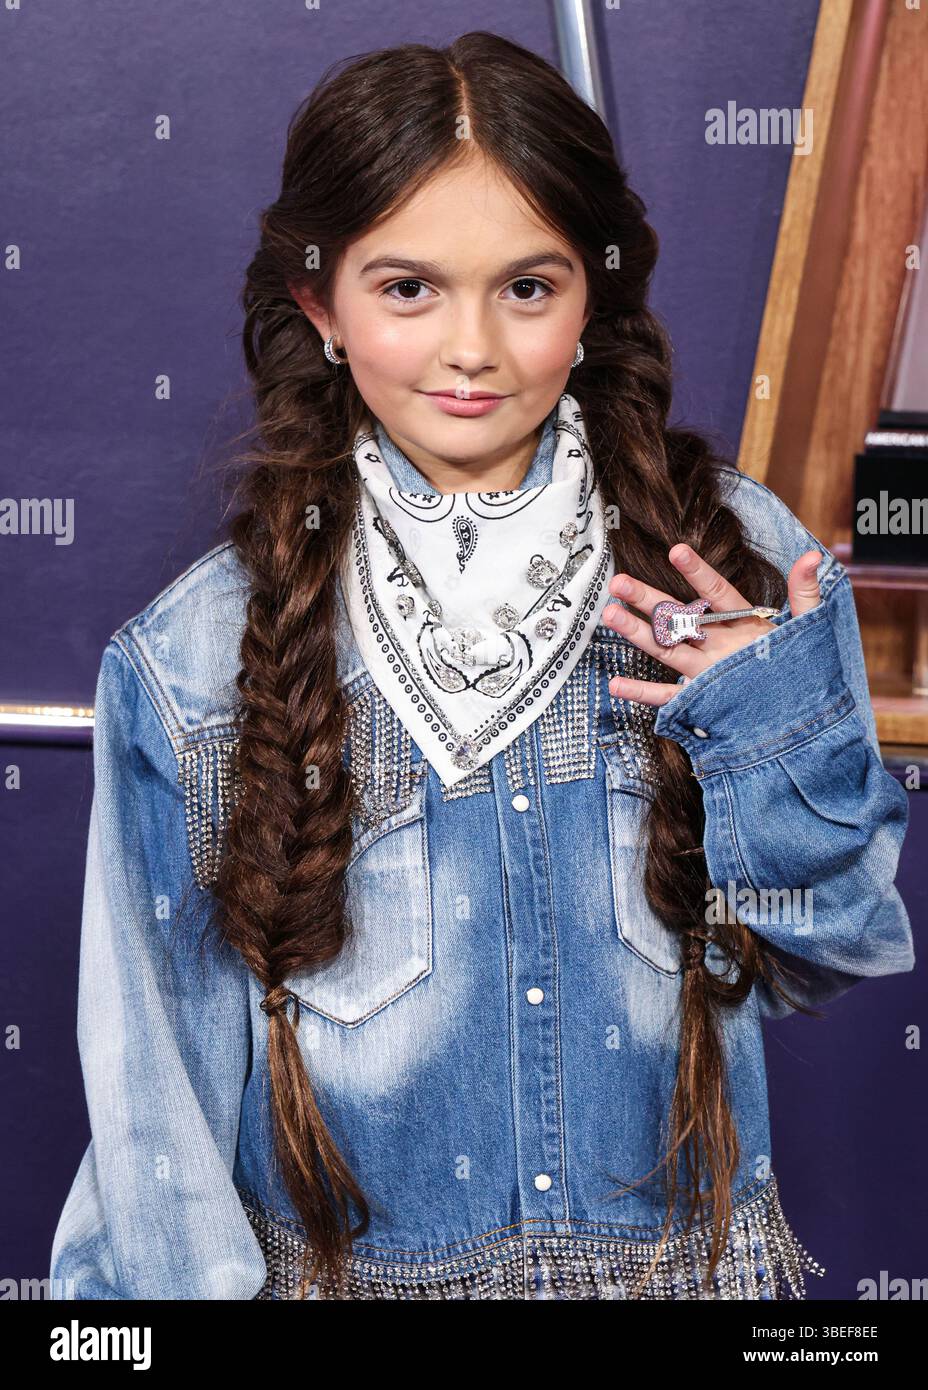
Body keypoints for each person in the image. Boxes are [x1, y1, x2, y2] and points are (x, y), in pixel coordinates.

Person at [50, 31, 913, 1301]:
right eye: (408, 288)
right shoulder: (189, 658)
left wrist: (762, 734)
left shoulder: (733, 561)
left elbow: (826, 951)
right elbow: (153, 1112)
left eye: (527, 287)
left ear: (593, 296)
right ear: (318, 305)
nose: (472, 348)